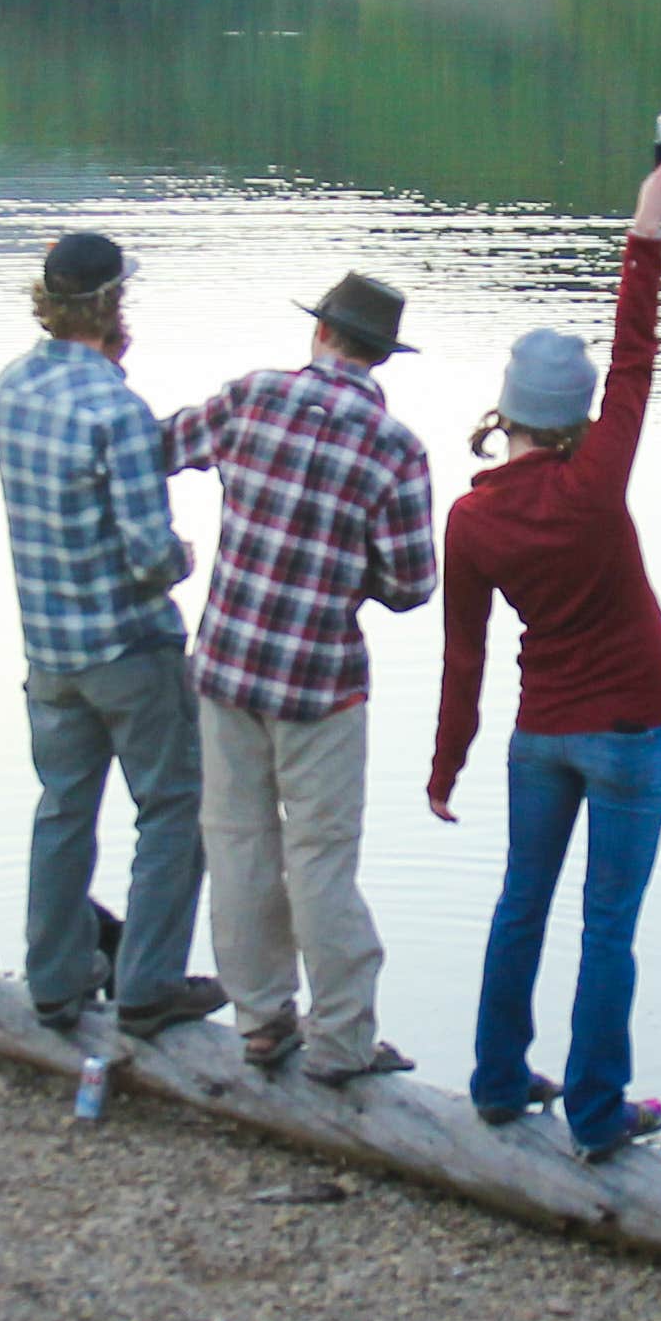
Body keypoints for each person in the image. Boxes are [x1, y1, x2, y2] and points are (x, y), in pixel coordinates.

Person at [429, 146, 661, 1152]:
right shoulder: (598, 479)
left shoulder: (472, 520)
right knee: (608, 928)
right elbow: (635, 354)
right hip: (631, 727)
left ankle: (497, 1081)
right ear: (578, 418)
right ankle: (594, 1111)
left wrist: (446, 766)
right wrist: (644, 227)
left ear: (506, 414)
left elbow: (465, 659)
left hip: (541, 735)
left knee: (520, 909)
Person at [163, 268, 439, 1081]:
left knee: (239, 845)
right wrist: (353, 573)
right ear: (382, 356)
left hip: (225, 665)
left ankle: (259, 1020)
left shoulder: (249, 397)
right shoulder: (397, 450)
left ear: (320, 333)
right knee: (320, 859)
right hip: (320, 686)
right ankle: (343, 1040)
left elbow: (160, 446)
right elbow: (413, 585)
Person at [0, 230, 226, 1040]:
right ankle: (146, 985)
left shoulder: (9, 389)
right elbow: (150, 555)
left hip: (47, 650)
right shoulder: (116, 411)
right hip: (128, 648)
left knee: (62, 810)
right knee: (175, 808)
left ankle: (54, 983)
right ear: (112, 305)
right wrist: (187, 555)